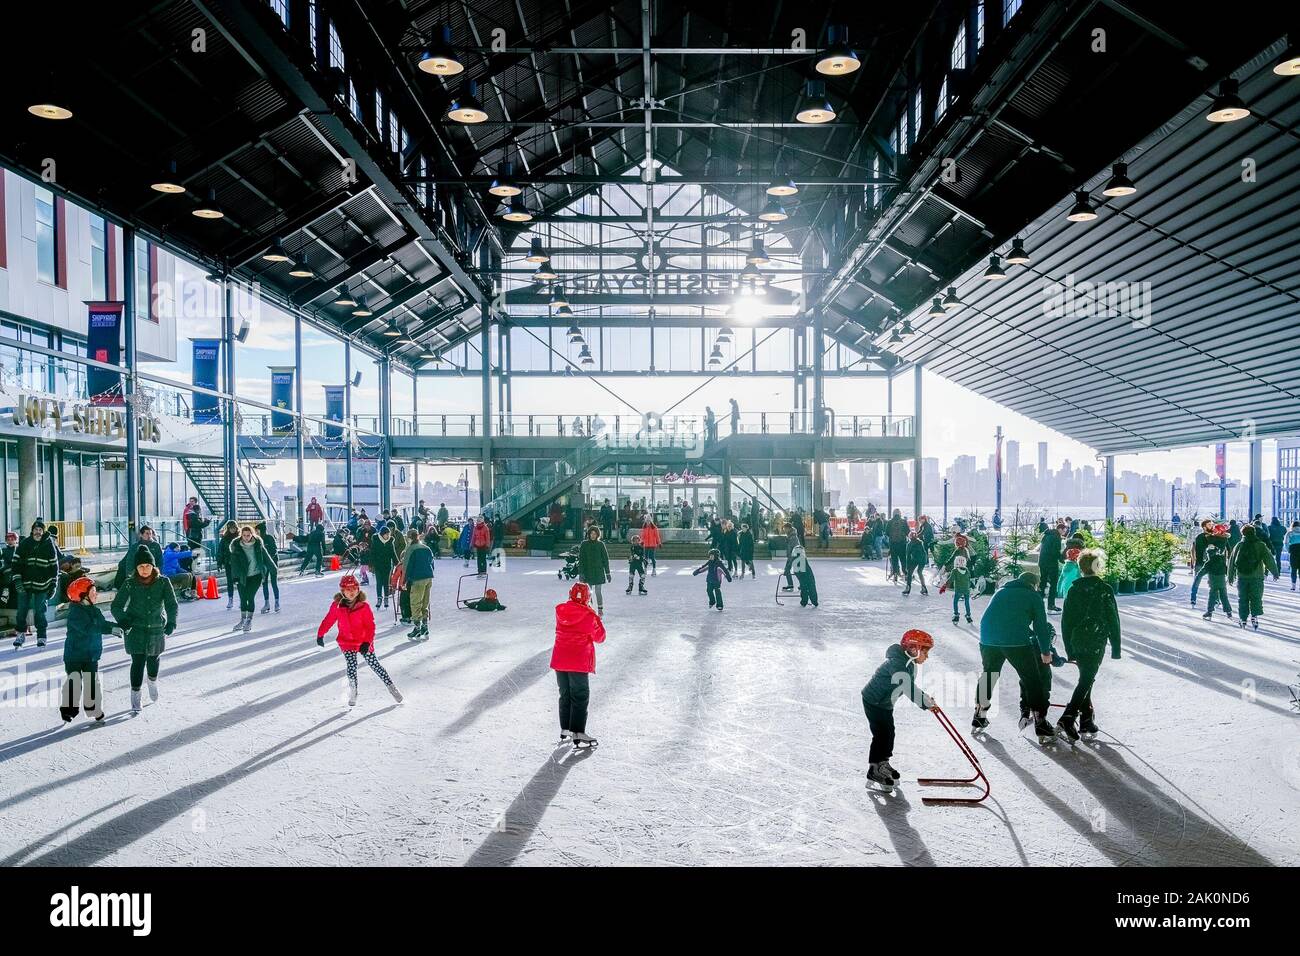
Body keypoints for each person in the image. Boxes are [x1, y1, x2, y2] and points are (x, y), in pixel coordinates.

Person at [971, 568, 1055, 742]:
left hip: (987, 638)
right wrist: (1046, 652)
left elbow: (1002, 617)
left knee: (989, 675)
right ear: (1034, 584)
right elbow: (1041, 627)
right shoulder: (1033, 596)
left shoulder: (1000, 592)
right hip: (1015, 641)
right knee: (1032, 679)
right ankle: (1041, 724)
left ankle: (979, 716)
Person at [861, 629, 938, 789]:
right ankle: (874, 769)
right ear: (913, 648)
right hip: (874, 700)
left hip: (885, 703)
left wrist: (925, 698)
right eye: (925, 652)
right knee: (881, 734)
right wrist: (924, 702)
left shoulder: (908, 663)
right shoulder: (897, 663)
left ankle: (883, 763)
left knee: (889, 732)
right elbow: (907, 686)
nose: (927, 656)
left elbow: (910, 685)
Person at [1058, 550, 1121, 742]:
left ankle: (1086, 720)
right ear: (1098, 566)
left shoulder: (1074, 589)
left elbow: (1065, 621)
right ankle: (1068, 717)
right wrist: (1116, 646)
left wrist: (1068, 647)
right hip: (1096, 639)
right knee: (1086, 679)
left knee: (1086, 678)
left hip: (1077, 640)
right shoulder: (1104, 589)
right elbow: (1113, 618)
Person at [316, 574, 402, 707]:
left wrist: (367, 642)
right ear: (342, 591)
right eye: (347, 589)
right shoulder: (337, 606)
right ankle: (353, 691)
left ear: (358, 589)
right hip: (346, 641)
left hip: (363, 641)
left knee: (375, 665)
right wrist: (320, 634)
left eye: (354, 589)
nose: (351, 592)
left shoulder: (364, 606)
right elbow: (329, 620)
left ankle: (392, 687)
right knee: (351, 666)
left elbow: (370, 626)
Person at [111, 545, 178, 715]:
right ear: (136, 568)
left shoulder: (163, 582)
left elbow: (171, 604)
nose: (145, 570)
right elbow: (116, 606)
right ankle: (135, 695)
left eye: (148, 566)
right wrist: (124, 621)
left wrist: (171, 622)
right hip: (135, 629)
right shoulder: (129, 583)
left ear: (153, 566)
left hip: (156, 628)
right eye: (141, 566)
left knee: (153, 660)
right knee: (138, 662)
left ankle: (152, 680)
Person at [551, 582, 606, 748]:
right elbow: (600, 637)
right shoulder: (588, 615)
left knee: (565, 694)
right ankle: (578, 731)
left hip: (560, 659)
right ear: (588, 597)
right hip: (578, 660)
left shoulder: (560, 611)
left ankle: (566, 728)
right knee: (580, 696)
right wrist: (595, 615)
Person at [60, 577, 116, 723]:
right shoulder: (75, 613)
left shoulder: (95, 610)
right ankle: (69, 710)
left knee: (92, 682)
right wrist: (110, 630)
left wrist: (118, 626)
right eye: (93, 592)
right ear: (83, 596)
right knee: (74, 682)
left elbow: (103, 624)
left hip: (91, 654)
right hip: (74, 656)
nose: (96, 595)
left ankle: (94, 709)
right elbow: (88, 629)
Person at [13, 519, 59, 648]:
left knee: (40, 611)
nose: (37, 532)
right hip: (25, 583)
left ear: (43, 531)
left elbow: (54, 567)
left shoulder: (49, 544)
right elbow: (16, 563)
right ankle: (20, 634)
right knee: (21, 610)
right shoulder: (25, 543)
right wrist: (17, 581)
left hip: (42, 584)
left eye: (40, 530)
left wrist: (53, 585)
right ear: (32, 530)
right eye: (35, 529)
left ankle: (41, 636)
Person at [226, 524, 275, 633]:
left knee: (250, 596)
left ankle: (249, 620)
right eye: (244, 535)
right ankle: (242, 619)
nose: (246, 537)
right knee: (243, 598)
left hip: (256, 575)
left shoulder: (257, 544)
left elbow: (266, 557)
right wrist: (235, 578)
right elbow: (234, 564)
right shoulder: (236, 546)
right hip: (242, 576)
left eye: (248, 535)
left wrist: (273, 569)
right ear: (241, 535)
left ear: (252, 534)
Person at [1228, 524, 1278, 630]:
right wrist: (1275, 572)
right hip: (1257, 577)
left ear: (1242, 533)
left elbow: (1231, 561)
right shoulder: (1260, 545)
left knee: (1242, 598)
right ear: (1254, 532)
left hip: (1242, 577)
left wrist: (1230, 576)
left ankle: (1243, 619)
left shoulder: (1239, 545)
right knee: (1256, 597)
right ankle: (1254, 617)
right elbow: (1269, 559)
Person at [400, 530, 434, 640]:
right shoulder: (426, 548)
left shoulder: (410, 549)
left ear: (409, 538)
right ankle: (425, 626)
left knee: (415, 603)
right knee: (425, 602)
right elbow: (431, 563)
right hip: (428, 577)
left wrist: (404, 582)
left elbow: (406, 567)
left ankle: (417, 628)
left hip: (417, 579)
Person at [114, 525, 163, 590]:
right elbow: (129, 561)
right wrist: (129, 575)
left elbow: (160, 560)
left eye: (150, 534)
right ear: (141, 535)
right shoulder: (135, 546)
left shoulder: (156, 546)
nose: (149, 536)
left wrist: (158, 573)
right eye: (147, 533)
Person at [577, 525, 611, 617]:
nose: (593, 535)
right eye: (591, 533)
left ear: (597, 535)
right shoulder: (584, 544)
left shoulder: (600, 544)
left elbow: (605, 559)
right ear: (589, 534)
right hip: (588, 572)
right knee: (588, 592)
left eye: (595, 534)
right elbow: (581, 559)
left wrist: (607, 573)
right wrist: (581, 573)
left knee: (598, 591)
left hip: (598, 571)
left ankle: (600, 610)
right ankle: (589, 609)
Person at [1201, 524, 1232, 620]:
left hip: (1213, 570)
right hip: (1222, 569)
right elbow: (1230, 552)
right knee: (1223, 592)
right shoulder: (1225, 541)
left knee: (1213, 592)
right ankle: (1228, 611)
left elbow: (1209, 555)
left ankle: (1209, 612)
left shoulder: (1212, 541)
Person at [944, 532, 973, 624]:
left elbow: (952, 558)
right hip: (966, 588)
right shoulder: (966, 550)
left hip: (959, 588)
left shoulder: (955, 569)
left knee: (955, 601)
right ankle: (968, 615)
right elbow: (969, 561)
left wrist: (944, 586)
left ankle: (956, 615)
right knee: (967, 602)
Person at [369, 525, 399, 611]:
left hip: (387, 565)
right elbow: (372, 553)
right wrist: (371, 564)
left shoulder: (390, 541)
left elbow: (393, 553)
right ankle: (379, 598)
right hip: (378, 565)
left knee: (386, 582)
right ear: (382, 534)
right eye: (386, 534)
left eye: (389, 534)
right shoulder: (376, 540)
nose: (388, 536)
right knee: (379, 582)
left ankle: (386, 597)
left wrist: (397, 563)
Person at [1188, 518, 1216, 606]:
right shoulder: (1211, 537)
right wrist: (1194, 559)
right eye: (1209, 525)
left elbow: (1192, 549)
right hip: (1204, 562)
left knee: (1199, 581)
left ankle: (1193, 599)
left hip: (1206, 562)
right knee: (1211, 581)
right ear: (1204, 527)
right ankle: (1215, 599)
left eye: (1212, 525)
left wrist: (1194, 559)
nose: (1212, 526)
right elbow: (1193, 549)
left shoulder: (1200, 537)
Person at [1038, 520, 1064, 612]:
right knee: (1053, 583)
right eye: (1064, 531)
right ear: (1060, 529)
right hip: (1051, 563)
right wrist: (1062, 559)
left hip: (1042, 562)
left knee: (1043, 582)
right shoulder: (1056, 537)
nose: (1064, 533)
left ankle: (1038, 603)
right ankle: (1051, 604)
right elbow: (1055, 552)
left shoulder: (1046, 535)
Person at [256, 522, 281, 614]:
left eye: (257, 530)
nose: (256, 532)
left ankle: (277, 602)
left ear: (261, 530)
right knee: (264, 583)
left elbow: (274, 550)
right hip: (263, 564)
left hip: (272, 563)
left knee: (274, 582)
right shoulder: (257, 540)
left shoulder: (269, 538)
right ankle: (267, 603)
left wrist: (268, 561)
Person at [218, 521, 240, 610]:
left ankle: (242, 600)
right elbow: (220, 551)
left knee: (239, 581)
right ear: (228, 528)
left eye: (234, 528)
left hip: (238, 563)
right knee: (230, 581)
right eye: (231, 528)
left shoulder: (240, 537)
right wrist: (219, 563)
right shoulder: (224, 539)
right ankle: (230, 599)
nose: (232, 529)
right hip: (228, 562)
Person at [902, 530, 929, 596]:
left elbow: (908, 556)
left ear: (909, 537)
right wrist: (926, 561)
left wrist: (907, 566)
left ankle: (908, 587)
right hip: (921, 559)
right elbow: (924, 553)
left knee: (910, 573)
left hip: (915, 559)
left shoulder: (909, 544)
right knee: (919, 572)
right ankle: (924, 587)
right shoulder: (920, 542)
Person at [885, 509, 908, 581]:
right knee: (903, 559)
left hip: (893, 544)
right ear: (900, 514)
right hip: (902, 544)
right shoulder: (904, 521)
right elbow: (908, 532)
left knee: (894, 560)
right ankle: (905, 574)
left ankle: (895, 575)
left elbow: (886, 532)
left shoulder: (890, 522)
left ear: (893, 514)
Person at [780, 525, 801, 592]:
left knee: (796, 571)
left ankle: (801, 585)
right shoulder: (790, 536)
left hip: (794, 556)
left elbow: (795, 548)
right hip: (791, 556)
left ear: (789, 528)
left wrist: (792, 558)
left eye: (785, 529)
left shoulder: (793, 537)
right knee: (788, 571)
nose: (784, 530)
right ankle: (791, 585)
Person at [1287, 520, 1300, 591]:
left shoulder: (1290, 533)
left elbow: (1286, 543)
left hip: (1293, 552)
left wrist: (1289, 550)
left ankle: (1293, 585)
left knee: (1293, 569)